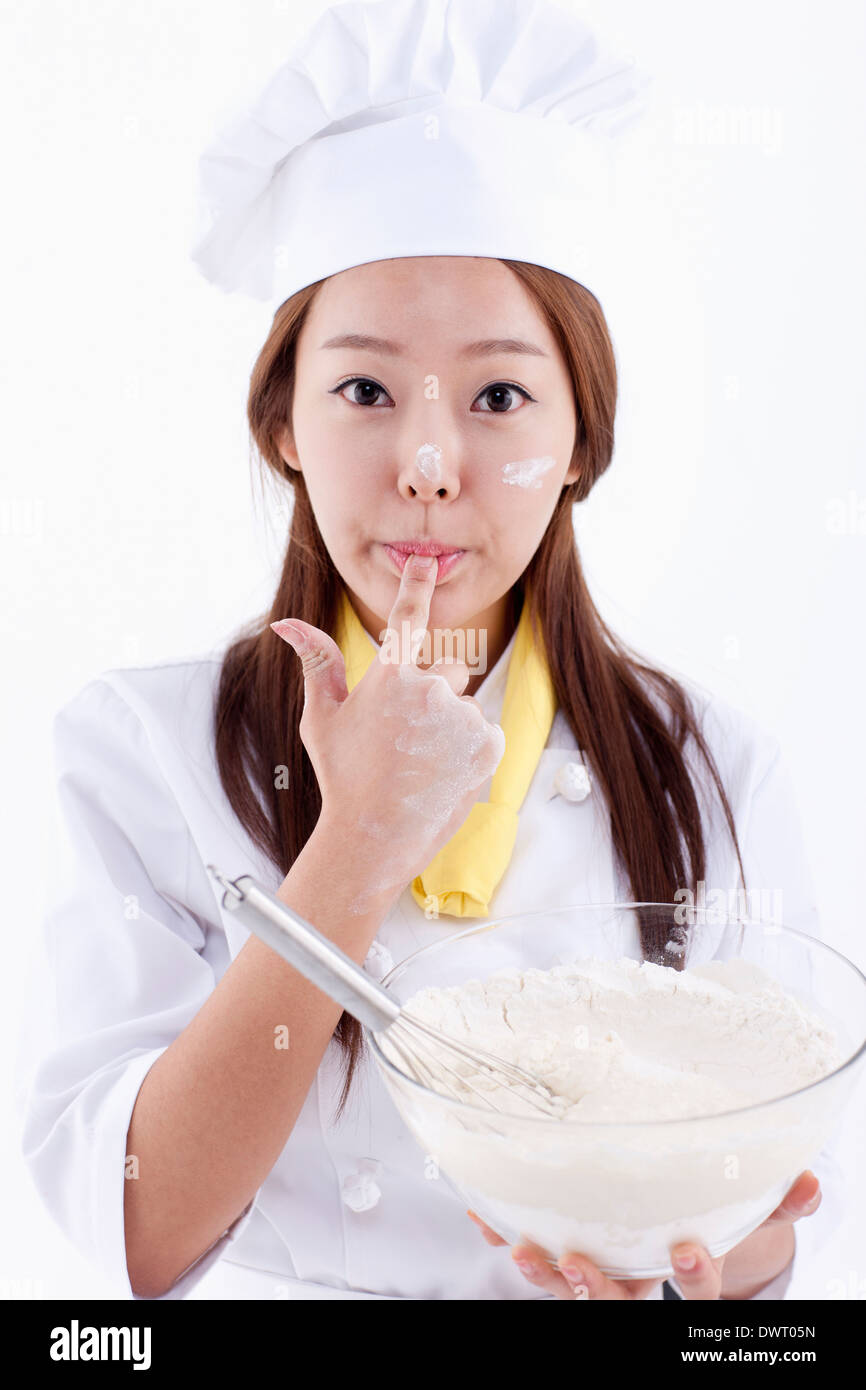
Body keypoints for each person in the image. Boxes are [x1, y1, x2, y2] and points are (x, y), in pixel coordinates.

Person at [16, 0, 844, 1301]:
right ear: (282, 423)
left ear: (579, 443)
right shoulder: (140, 751)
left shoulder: (709, 765)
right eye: (364, 389)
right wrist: (355, 843)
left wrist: (704, 1238)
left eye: (499, 395)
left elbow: (774, 1231)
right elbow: (138, 1230)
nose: (426, 462)